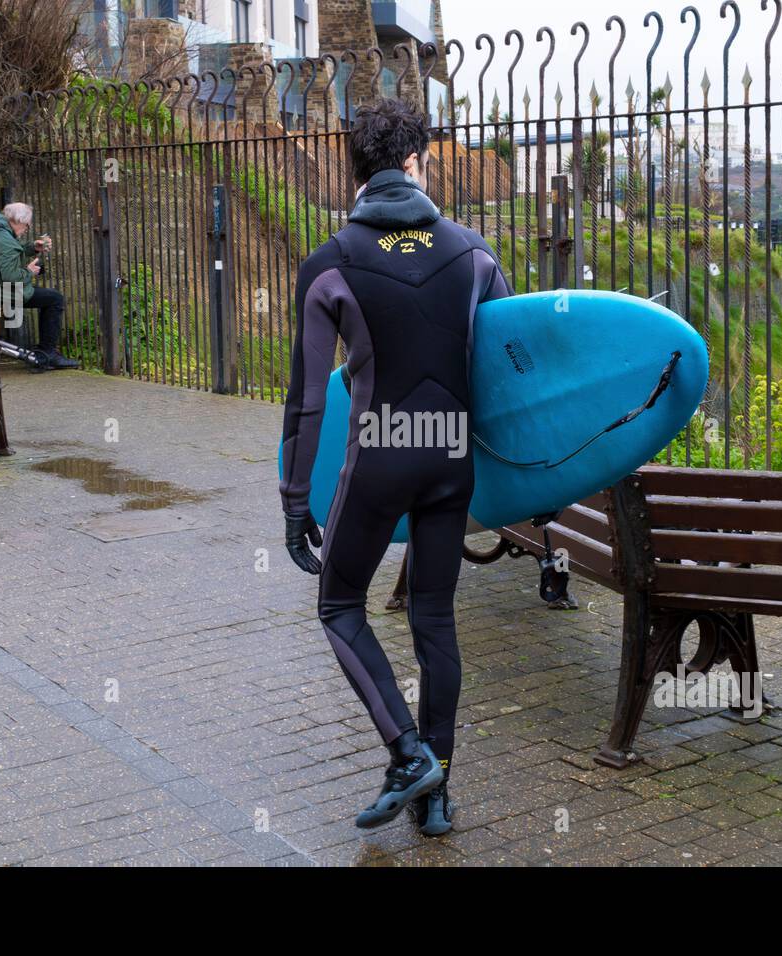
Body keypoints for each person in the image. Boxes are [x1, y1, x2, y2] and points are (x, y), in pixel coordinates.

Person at [279, 97, 510, 836]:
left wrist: (293, 500)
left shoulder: (329, 265)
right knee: (435, 619)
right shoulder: (475, 252)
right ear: (417, 162)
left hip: (378, 462)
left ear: (357, 170)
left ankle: (409, 755)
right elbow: (511, 366)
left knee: (340, 606)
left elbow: (310, 401)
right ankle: (437, 796)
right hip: (451, 462)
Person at [0, 202, 79, 370]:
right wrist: (29, 271)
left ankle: (45, 352)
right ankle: (48, 354)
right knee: (54, 299)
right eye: (27, 225)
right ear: (19, 221)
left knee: (48, 297)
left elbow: (6, 252)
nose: (27, 229)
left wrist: (32, 247)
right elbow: (12, 277)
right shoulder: (5, 238)